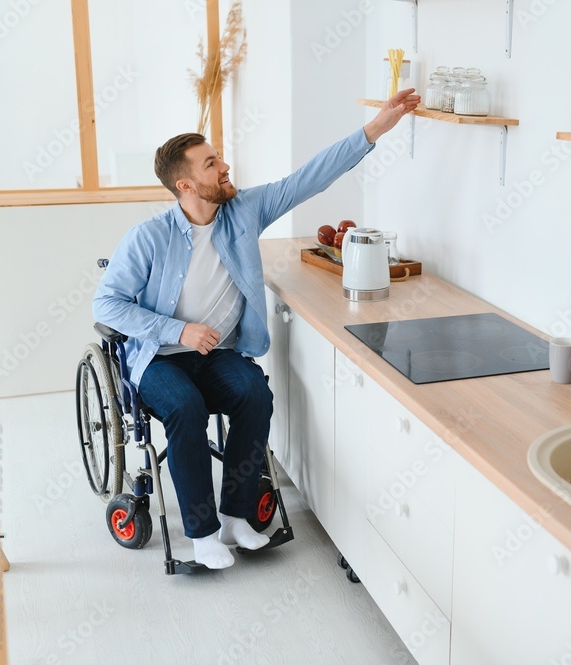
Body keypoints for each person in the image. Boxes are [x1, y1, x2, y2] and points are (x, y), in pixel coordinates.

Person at [93, 89, 421, 569]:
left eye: (219, 158)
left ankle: (236, 518)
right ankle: (202, 534)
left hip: (217, 355)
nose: (224, 167)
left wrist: (374, 130)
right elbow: (106, 303)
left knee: (254, 394)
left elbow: (309, 178)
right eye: (211, 164)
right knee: (185, 406)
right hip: (158, 358)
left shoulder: (245, 210)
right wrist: (176, 330)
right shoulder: (149, 237)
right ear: (185, 185)